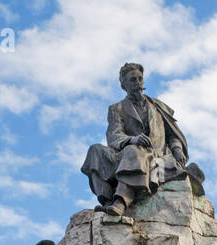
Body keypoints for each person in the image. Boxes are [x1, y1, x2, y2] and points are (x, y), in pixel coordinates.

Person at [80, 62, 204, 217]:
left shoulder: (158, 107)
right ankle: (107, 201)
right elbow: (114, 135)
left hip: (157, 157)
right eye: (133, 80)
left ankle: (121, 202)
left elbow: (172, 135)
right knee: (95, 150)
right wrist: (132, 140)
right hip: (127, 153)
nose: (138, 83)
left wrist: (177, 149)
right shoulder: (116, 109)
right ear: (124, 85)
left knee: (134, 151)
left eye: (140, 78)